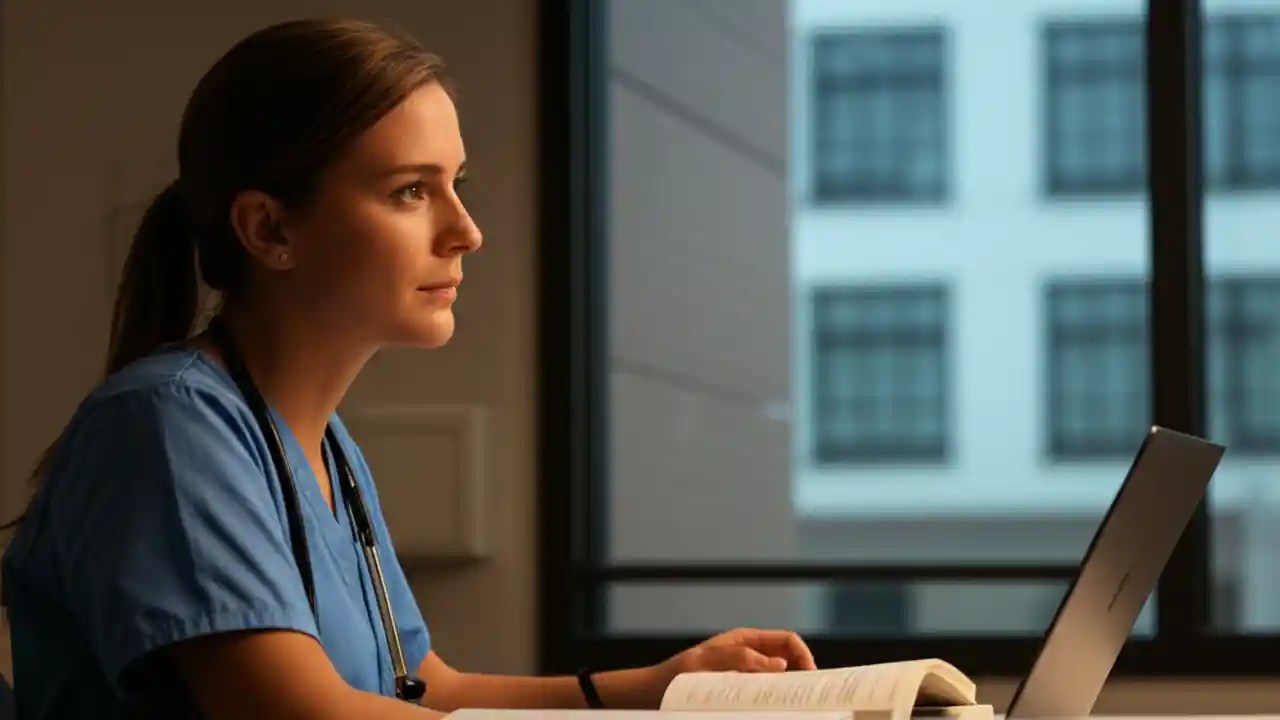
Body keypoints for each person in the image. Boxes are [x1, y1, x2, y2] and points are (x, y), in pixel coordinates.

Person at [0, 17, 816, 719]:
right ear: (270, 230)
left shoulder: (326, 452)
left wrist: (659, 686)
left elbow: (422, 686)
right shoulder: (167, 425)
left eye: (455, 185)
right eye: (409, 192)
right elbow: (297, 714)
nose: (465, 231)